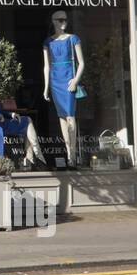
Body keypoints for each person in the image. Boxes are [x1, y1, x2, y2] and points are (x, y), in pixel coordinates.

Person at [43, 12, 86, 166]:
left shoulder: (73, 38)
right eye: (60, 20)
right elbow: (46, 66)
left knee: (70, 115)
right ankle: (68, 151)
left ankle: (73, 154)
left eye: (65, 20)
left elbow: (81, 62)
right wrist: (46, 87)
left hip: (68, 80)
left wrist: (76, 80)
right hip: (55, 81)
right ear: (53, 22)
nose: (64, 22)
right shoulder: (48, 42)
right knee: (62, 116)